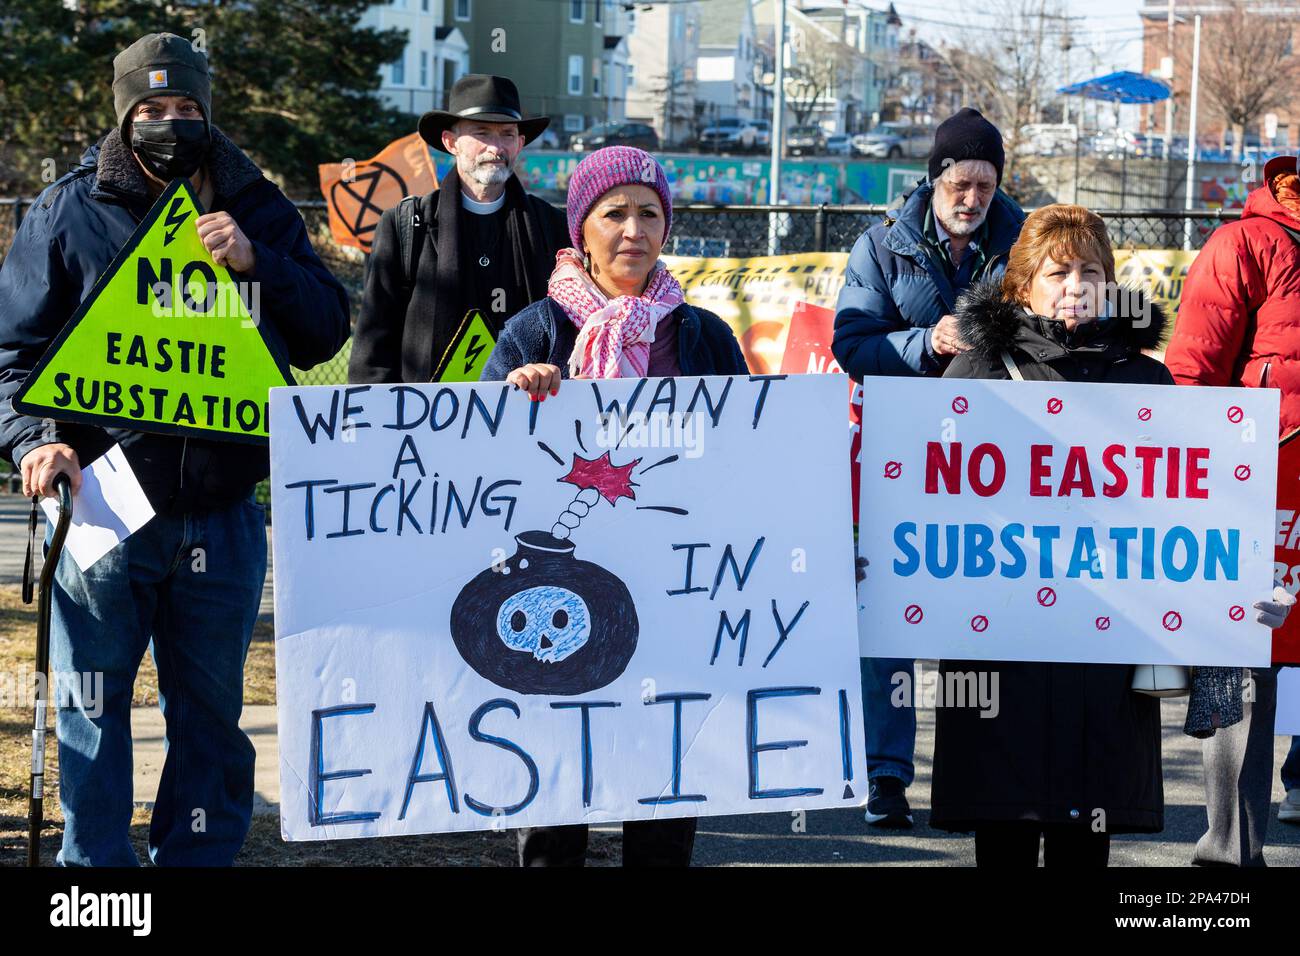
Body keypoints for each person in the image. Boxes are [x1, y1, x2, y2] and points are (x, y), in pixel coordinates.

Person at [0, 33, 350, 865]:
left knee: (209, 711)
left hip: (225, 512)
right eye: (150, 109)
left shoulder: (257, 207)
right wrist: (35, 441)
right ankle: (98, 879)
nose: (168, 122)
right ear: (123, 116)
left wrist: (255, 264)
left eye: (185, 108)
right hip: (103, 504)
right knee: (91, 706)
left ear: (207, 113)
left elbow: (325, 331)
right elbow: (13, 354)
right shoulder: (66, 208)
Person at [934, 203, 1291, 866]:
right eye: (1058, 271)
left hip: (1103, 657)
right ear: (1021, 286)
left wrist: (1242, 584)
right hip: (1000, 655)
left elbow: (1193, 511)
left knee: (1083, 842)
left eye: (1091, 271)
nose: (1076, 285)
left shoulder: (1146, 382)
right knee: (1004, 840)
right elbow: (930, 501)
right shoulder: (975, 375)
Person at [483, 145, 749, 866]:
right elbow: (479, 459)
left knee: (662, 785)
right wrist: (517, 395)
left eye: (650, 214)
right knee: (556, 792)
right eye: (615, 214)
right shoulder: (535, 331)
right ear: (582, 229)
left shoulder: (703, 335)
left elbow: (749, 454)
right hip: (558, 593)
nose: (634, 230)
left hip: (673, 592)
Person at [832, 108, 1025, 828]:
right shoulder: (881, 245)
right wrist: (927, 342)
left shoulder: (1029, 242)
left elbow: (1063, 326)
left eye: (985, 182)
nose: (971, 196)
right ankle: (886, 777)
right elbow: (853, 341)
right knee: (888, 619)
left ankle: (984, 774)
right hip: (901, 457)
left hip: (997, 461)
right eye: (959, 181)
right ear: (934, 177)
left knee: (985, 615)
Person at [1165, 152, 1300, 863]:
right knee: (1237, 659)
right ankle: (1228, 854)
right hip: (1260, 493)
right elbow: (1191, 379)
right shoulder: (1245, 243)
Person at [349, 74, 568, 384]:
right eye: (481, 132)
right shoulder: (406, 226)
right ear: (450, 142)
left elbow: (572, 331)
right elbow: (373, 348)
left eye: (507, 134)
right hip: (426, 421)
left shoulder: (551, 226)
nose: (495, 147)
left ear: (520, 144)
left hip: (529, 418)